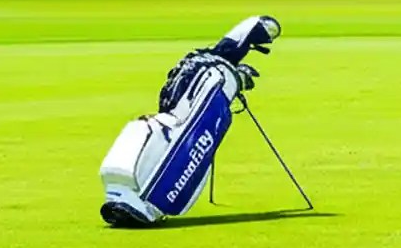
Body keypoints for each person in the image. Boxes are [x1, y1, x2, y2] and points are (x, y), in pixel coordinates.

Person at [98, 15, 281, 226]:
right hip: (208, 79)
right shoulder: (214, 64)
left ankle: (143, 201)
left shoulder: (206, 61)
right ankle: (149, 202)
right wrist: (237, 79)